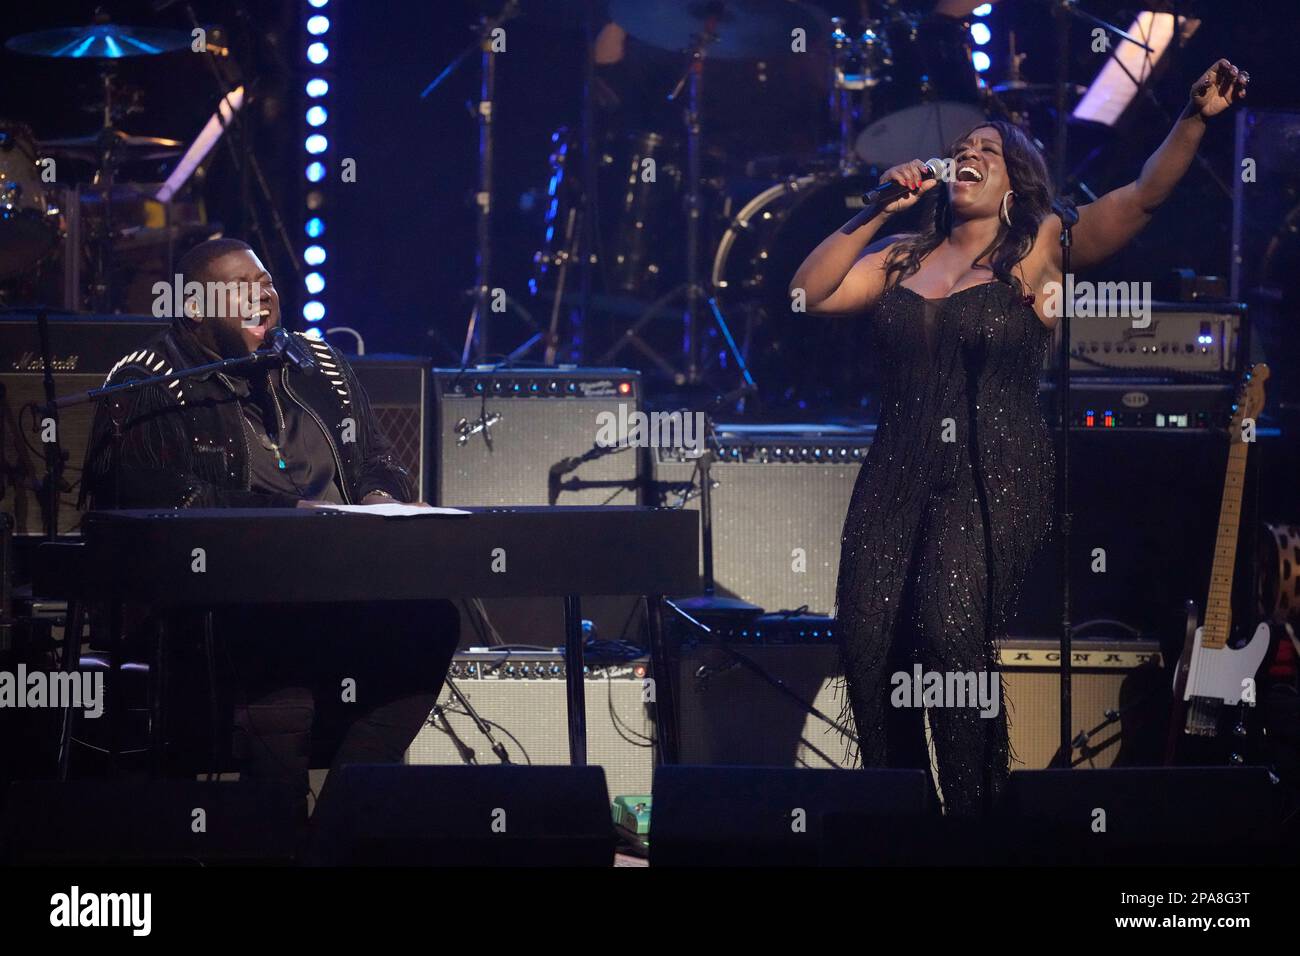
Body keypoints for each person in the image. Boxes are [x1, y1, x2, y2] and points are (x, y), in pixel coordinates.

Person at [791, 60, 1249, 815]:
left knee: (946, 633)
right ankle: (901, 821)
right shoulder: (904, 253)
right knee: (871, 649)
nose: (969, 153)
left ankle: (976, 823)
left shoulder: (1039, 244)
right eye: (962, 145)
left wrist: (1194, 119)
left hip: (994, 469)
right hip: (895, 472)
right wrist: (878, 207)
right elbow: (810, 292)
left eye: (991, 149)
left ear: (1017, 181)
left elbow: (1140, 200)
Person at [81, 238, 459, 823]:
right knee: (278, 649)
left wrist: (381, 497)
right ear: (196, 309)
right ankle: (274, 833)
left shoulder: (319, 366)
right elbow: (155, 504)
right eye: (238, 289)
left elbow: (379, 459)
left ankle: (336, 827)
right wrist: (283, 520)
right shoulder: (148, 382)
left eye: (265, 283)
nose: (261, 297)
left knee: (430, 620)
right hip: (222, 604)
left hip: (335, 589)